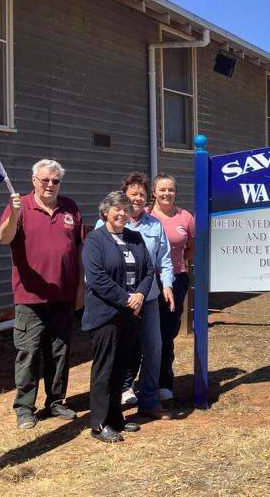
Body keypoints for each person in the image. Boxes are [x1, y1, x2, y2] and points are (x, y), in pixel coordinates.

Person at [0, 159, 84, 430]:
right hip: (30, 298)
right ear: (34, 180)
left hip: (64, 296)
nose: (50, 185)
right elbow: (4, 237)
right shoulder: (20, 206)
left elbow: (78, 249)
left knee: (59, 352)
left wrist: (80, 288)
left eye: (55, 181)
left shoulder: (70, 207)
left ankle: (56, 401)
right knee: (29, 352)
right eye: (45, 180)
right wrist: (13, 215)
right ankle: (24, 407)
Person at [95, 172, 174, 419]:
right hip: (118, 303)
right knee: (120, 351)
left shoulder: (154, 225)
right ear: (124, 197)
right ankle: (113, 406)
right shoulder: (109, 222)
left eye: (141, 194)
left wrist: (167, 285)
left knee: (154, 349)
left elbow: (164, 261)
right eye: (132, 194)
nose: (137, 199)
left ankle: (150, 402)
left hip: (148, 299)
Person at [83, 191, 155, 443]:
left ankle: (116, 418)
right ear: (105, 213)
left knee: (122, 366)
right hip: (106, 315)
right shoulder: (95, 240)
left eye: (125, 209)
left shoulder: (135, 238)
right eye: (117, 209)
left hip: (131, 314)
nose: (122, 213)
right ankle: (99, 424)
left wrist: (140, 296)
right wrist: (127, 298)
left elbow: (148, 270)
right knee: (105, 369)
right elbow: (97, 278)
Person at [147, 172, 195, 401]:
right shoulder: (144, 216)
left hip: (175, 279)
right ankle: (138, 383)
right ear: (154, 192)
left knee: (167, 332)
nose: (167, 193)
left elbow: (192, 245)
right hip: (146, 281)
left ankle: (164, 381)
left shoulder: (185, 217)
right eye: (162, 189)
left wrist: (182, 261)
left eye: (171, 190)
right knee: (143, 332)